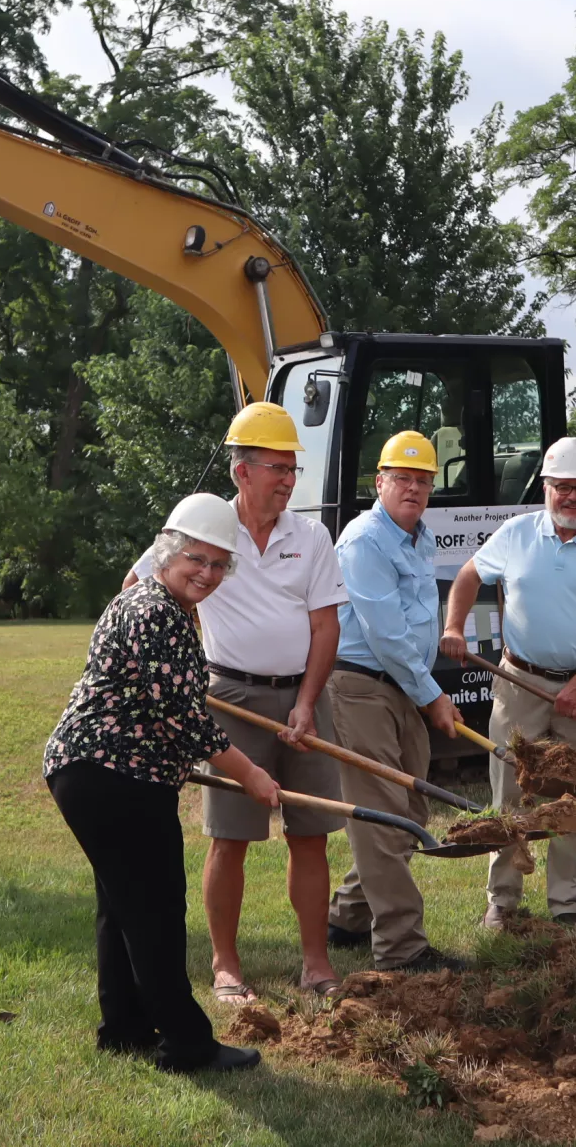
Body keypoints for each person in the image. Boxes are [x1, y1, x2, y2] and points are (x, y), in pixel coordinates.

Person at [44, 493, 281, 1074]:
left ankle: (125, 1029)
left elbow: (161, 707)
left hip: (101, 773)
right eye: (196, 559)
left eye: (219, 564)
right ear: (166, 553)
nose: (207, 573)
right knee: (155, 910)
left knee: (122, 904)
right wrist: (250, 773)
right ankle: (187, 1044)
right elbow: (182, 715)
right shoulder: (155, 611)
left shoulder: (153, 603)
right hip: (113, 777)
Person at [124, 401, 347, 1003]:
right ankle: (226, 966)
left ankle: (316, 964)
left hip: (302, 698)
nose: (289, 480)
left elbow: (325, 627)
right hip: (229, 699)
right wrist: (176, 655)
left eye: (293, 468)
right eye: (278, 467)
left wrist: (306, 703)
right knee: (231, 836)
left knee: (312, 833)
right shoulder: (205, 528)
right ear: (241, 471)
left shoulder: (311, 536)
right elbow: (138, 586)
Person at [441, 437, 576, 928]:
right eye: (562, 487)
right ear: (546, 487)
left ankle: (568, 906)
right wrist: (453, 627)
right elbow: (468, 576)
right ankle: (503, 900)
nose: (572, 497)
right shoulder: (516, 534)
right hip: (518, 684)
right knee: (509, 792)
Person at [326, 431, 467, 971]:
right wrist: (434, 696)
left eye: (423, 481)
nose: (413, 488)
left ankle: (347, 916)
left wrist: (425, 687)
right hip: (361, 688)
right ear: (379, 483)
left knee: (408, 810)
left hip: (402, 686)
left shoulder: (419, 538)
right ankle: (402, 948)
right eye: (402, 479)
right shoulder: (364, 541)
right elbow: (384, 633)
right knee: (385, 816)